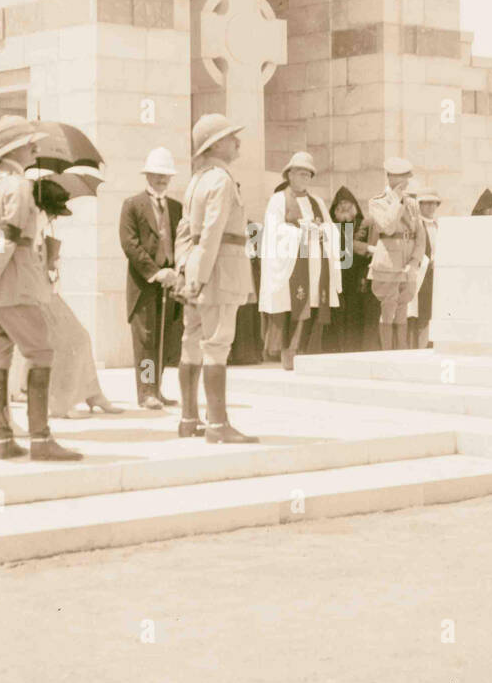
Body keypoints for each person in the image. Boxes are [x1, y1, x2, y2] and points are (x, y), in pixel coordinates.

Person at [0, 116, 81, 460]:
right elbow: (9, 241)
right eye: (31, 144)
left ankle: (3, 439)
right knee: (40, 354)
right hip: (16, 288)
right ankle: (41, 440)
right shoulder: (18, 186)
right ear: (16, 148)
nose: (35, 148)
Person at [10, 176, 123, 418]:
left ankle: (93, 393)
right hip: (34, 297)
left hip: (46, 294)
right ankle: (60, 403)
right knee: (62, 345)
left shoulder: (41, 227)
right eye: (53, 212)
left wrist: (51, 262)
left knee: (80, 338)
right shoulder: (29, 226)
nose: (55, 218)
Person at [177, 113, 259, 443]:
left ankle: (188, 418)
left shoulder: (196, 180)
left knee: (191, 344)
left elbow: (185, 232)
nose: (236, 141)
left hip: (199, 268)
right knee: (217, 344)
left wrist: (187, 270)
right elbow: (212, 233)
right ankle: (217, 424)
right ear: (214, 145)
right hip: (220, 271)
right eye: (229, 137)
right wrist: (201, 275)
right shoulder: (222, 181)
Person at [259, 152, 340, 369]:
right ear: (290, 175)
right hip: (292, 265)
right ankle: (290, 352)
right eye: (301, 173)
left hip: (315, 264)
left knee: (312, 305)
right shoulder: (278, 200)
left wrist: (323, 230)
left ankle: (307, 352)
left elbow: (331, 227)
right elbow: (274, 230)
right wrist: (302, 231)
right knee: (294, 305)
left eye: (308, 174)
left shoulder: (318, 202)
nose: (305, 178)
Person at [119, 147, 183, 408]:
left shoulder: (177, 208)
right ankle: (146, 392)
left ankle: (157, 389)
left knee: (164, 339)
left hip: (170, 282)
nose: (161, 179)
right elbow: (129, 244)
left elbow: (183, 241)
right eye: (156, 174)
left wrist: (176, 272)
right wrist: (155, 273)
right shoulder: (132, 205)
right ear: (147, 175)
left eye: (166, 175)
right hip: (144, 283)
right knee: (146, 339)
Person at [364, 157, 425, 351]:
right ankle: (387, 353)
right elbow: (388, 227)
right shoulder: (377, 202)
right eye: (402, 177)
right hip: (388, 263)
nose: (406, 182)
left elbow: (420, 235)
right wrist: (398, 202)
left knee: (403, 308)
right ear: (390, 177)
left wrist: (415, 262)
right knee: (388, 309)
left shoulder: (413, 203)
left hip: (408, 264)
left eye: (406, 177)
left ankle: (401, 352)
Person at [328, 186, 371, 352]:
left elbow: (366, 253)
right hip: (336, 277)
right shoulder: (331, 226)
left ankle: (353, 348)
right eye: (341, 205)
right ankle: (335, 347)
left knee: (354, 312)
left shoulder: (362, 224)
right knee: (336, 312)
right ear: (335, 208)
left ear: (354, 206)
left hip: (355, 277)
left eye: (348, 204)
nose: (344, 208)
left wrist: (363, 276)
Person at [407, 188, 440, 348]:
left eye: (433, 204)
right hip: (420, 273)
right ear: (419, 205)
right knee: (417, 312)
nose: (430, 207)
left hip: (435, 275)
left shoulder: (438, 224)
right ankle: (417, 346)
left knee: (431, 312)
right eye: (426, 204)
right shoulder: (415, 224)